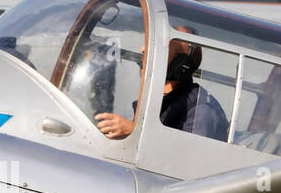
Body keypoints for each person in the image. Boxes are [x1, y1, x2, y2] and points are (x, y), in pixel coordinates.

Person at [94, 29, 229, 140]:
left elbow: (191, 164)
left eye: (158, 45)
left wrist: (135, 133)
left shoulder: (201, 109)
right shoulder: (158, 99)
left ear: (181, 65)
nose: (143, 49)